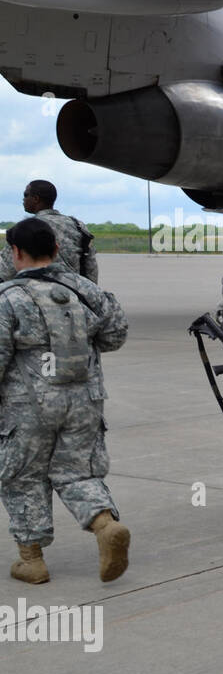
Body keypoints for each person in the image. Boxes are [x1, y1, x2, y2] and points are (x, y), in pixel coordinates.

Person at [0, 217, 129, 584]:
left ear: (15, 253)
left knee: (23, 477)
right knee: (77, 472)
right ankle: (104, 525)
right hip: (85, 400)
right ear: (57, 250)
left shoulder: (9, 297)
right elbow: (115, 335)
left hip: (28, 408)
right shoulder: (87, 290)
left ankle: (32, 559)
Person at [1, 181, 98, 282]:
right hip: (74, 291)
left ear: (36, 199)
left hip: (34, 293)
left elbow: (5, 271)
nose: (23, 199)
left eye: (26, 195)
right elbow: (90, 267)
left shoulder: (24, 229)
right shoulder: (78, 226)